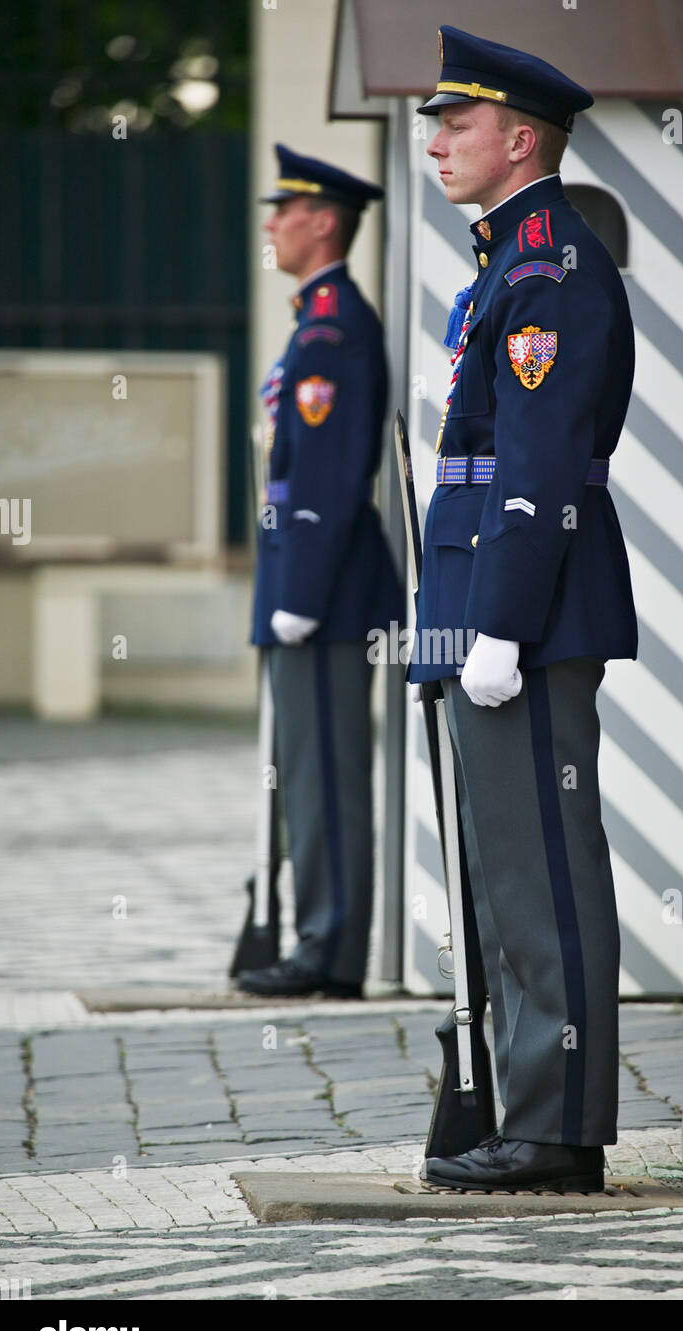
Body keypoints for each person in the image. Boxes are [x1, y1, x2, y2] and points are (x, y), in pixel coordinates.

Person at [411, 28, 638, 1192]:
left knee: (545, 869)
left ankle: (554, 1132)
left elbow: (540, 469)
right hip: (482, 607)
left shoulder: (549, 269)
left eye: (456, 124)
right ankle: (519, 1103)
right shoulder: (505, 262)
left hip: (526, 614)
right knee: (505, 872)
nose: (436, 139)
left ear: (518, 139)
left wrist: (498, 623)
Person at [238, 144, 402, 999]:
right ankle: (318, 938)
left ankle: (330, 950)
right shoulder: (317, 318)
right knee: (307, 769)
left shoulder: (334, 328)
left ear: (323, 221)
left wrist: (297, 595)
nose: (271, 224)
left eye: (284, 210)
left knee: (328, 775)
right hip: (307, 589)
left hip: (325, 595)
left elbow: (332, 474)